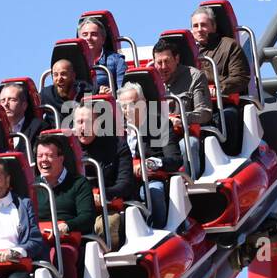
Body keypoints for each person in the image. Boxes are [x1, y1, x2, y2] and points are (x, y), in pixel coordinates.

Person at [119, 81, 183, 229]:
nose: (129, 109)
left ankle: (159, 231)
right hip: (124, 181)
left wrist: (151, 163)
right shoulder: (116, 130)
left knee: (154, 192)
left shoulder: (161, 124)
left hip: (150, 178)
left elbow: (175, 160)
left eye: (134, 103)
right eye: (124, 106)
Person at [72, 103, 136, 246]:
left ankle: (107, 262)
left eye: (88, 122)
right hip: (76, 207)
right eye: (79, 122)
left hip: (108, 206)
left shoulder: (117, 145)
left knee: (105, 226)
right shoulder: (67, 149)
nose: (83, 128)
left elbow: (125, 184)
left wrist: (103, 193)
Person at [34, 135, 96, 236]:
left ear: (61, 159)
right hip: (39, 240)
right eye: (40, 156)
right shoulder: (33, 187)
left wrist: (67, 226)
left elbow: (87, 217)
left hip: (69, 237)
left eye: (49, 155)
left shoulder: (79, 183)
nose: (44, 160)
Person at [190, 5, 251, 98]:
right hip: (193, 105)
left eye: (203, 25)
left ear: (214, 27)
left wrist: (218, 88)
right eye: (195, 26)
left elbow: (241, 78)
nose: (199, 29)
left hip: (223, 102)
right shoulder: (187, 52)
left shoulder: (230, 45)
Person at [151, 37, 212, 128]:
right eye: (159, 63)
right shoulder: (151, 81)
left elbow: (204, 113)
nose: (163, 67)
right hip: (157, 134)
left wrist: (180, 118)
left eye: (167, 61)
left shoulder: (195, 76)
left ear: (177, 59)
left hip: (185, 132)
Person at [76, 16, 127, 91]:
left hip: (108, 101)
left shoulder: (117, 61)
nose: (89, 38)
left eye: (94, 34)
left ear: (103, 39)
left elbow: (123, 92)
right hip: (82, 101)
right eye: (85, 35)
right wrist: (96, 92)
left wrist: (111, 93)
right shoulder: (74, 64)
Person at [40, 57, 91, 127]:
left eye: (63, 74)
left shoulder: (86, 91)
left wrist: (103, 91)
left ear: (73, 76)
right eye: (55, 75)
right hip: (56, 136)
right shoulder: (46, 94)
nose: (59, 78)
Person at [0, 82, 44, 154]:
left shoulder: (39, 127)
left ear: (24, 105)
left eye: (12, 100)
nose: (6, 104)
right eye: (3, 100)